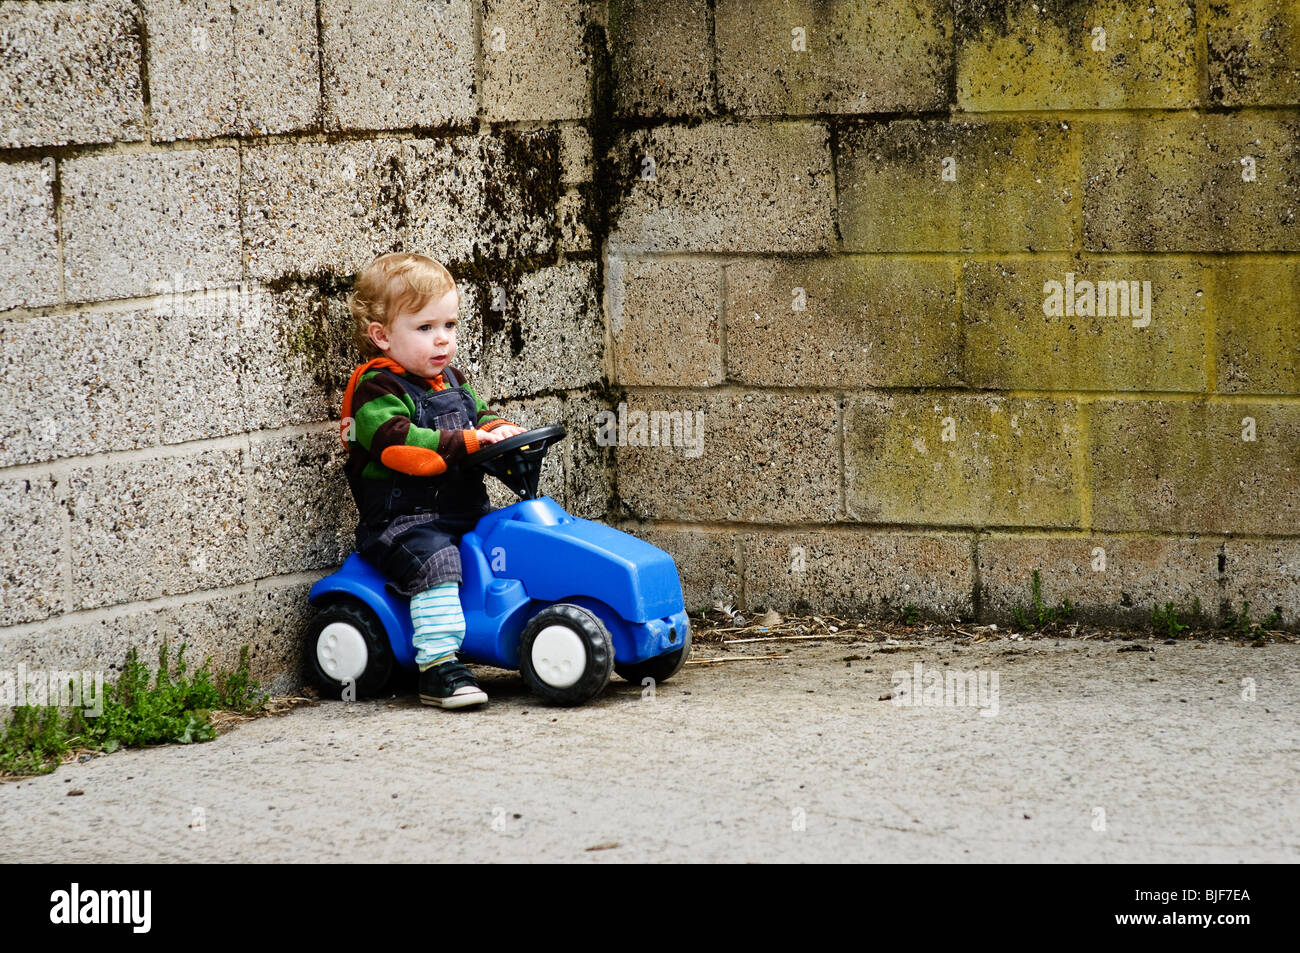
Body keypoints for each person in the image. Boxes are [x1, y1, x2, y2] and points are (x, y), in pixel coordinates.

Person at [339, 252, 527, 709]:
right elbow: (402, 445)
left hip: (464, 514)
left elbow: (478, 416)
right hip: (404, 524)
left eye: (449, 325)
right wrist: (468, 442)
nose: (442, 340)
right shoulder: (376, 391)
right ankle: (438, 665)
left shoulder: (450, 380)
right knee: (438, 562)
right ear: (382, 336)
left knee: (515, 542)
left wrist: (500, 429)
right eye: (425, 329)